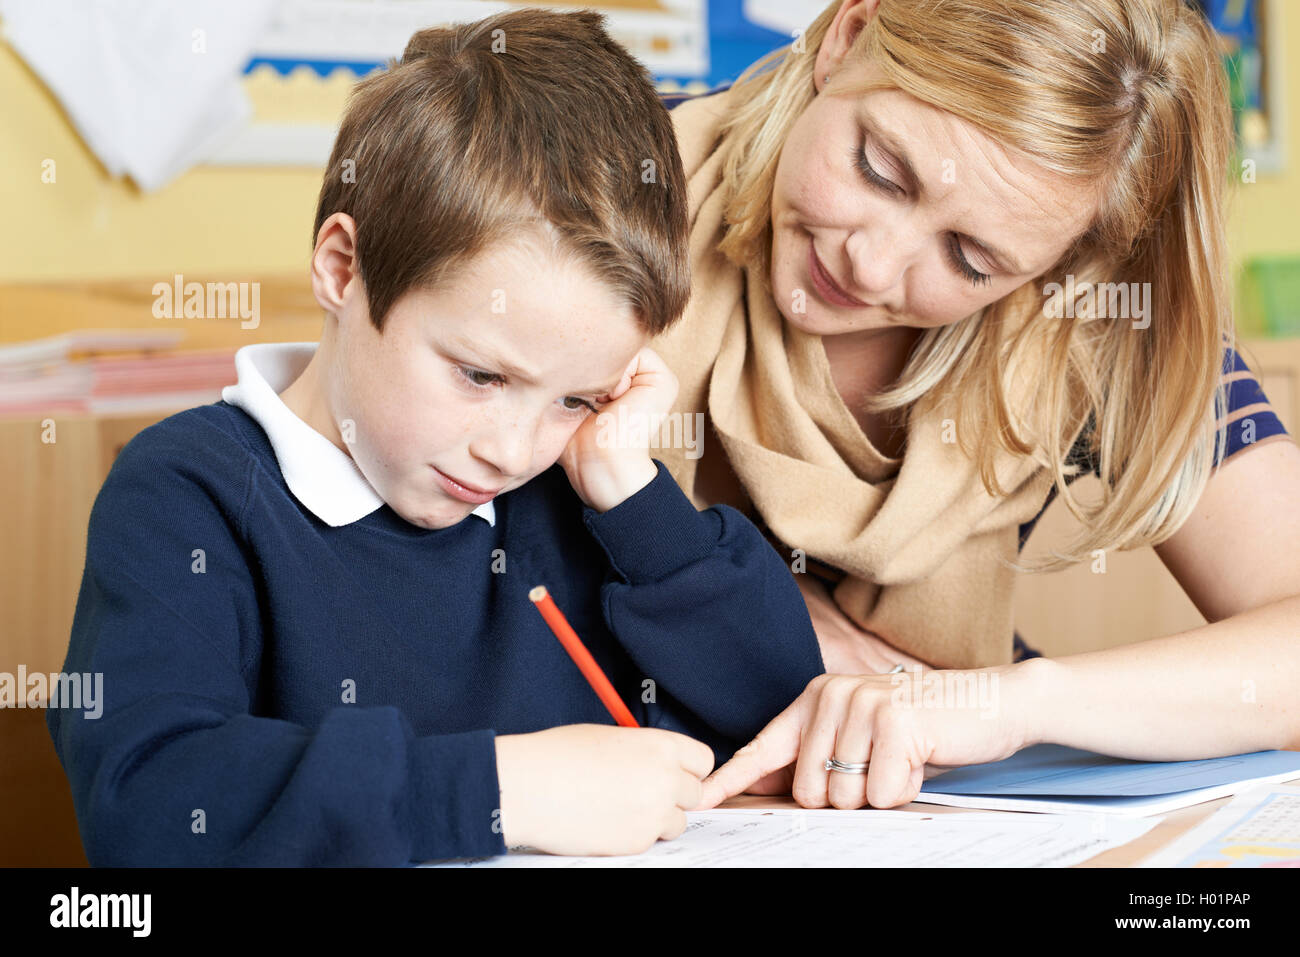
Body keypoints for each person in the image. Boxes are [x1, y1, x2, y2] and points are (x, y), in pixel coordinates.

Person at [46, 8, 824, 865]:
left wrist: (630, 493)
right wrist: (501, 789)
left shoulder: (571, 497)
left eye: (577, 397)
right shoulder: (189, 496)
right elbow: (149, 799)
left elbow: (778, 708)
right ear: (344, 269)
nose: (515, 448)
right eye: (481, 376)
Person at [644, 0, 1300, 811]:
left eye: (971, 258)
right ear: (847, 38)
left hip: (929, 795)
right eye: (880, 169)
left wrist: (1006, 702)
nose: (871, 265)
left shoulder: (1097, 313)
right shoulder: (600, 170)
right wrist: (775, 615)